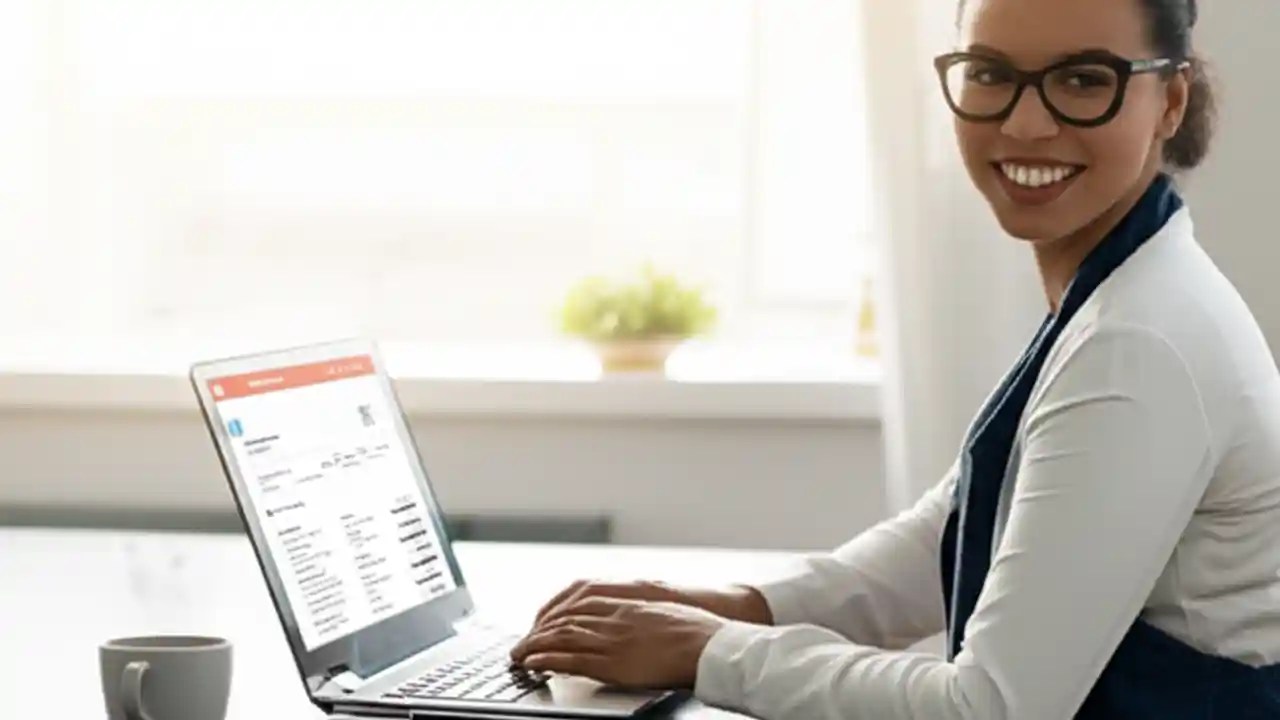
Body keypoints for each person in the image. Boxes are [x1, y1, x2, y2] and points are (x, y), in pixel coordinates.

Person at [510, 0, 1280, 716]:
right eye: (990, 74)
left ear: (1170, 101)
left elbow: (993, 705)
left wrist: (711, 652)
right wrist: (732, 606)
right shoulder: (1121, 290)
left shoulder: (1139, 343)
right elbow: (943, 538)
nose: (1027, 122)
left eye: (1084, 80)